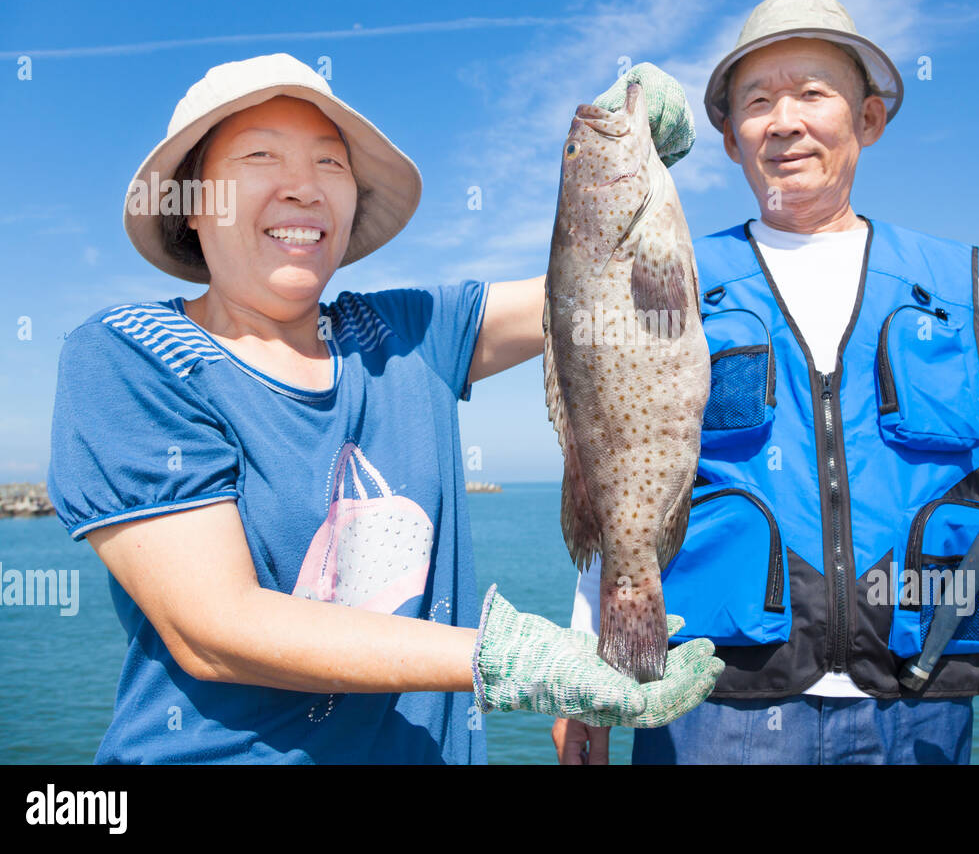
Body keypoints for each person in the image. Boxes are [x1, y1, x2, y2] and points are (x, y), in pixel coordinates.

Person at [46, 53, 723, 764]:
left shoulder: (402, 336)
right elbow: (214, 627)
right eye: (259, 155)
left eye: (330, 165)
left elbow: (595, 287)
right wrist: (510, 658)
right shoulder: (131, 355)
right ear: (192, 203)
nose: (302, 187)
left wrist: (619, 137)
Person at [552, 0, 979, 764]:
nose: (784, 120)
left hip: (918, 701)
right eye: (757, 101)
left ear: (868, 120)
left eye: (812, 93)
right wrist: (584, 664)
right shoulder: (675, 272)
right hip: (714, 702)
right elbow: (611, 449)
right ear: (728, 138)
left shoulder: (949, 283)